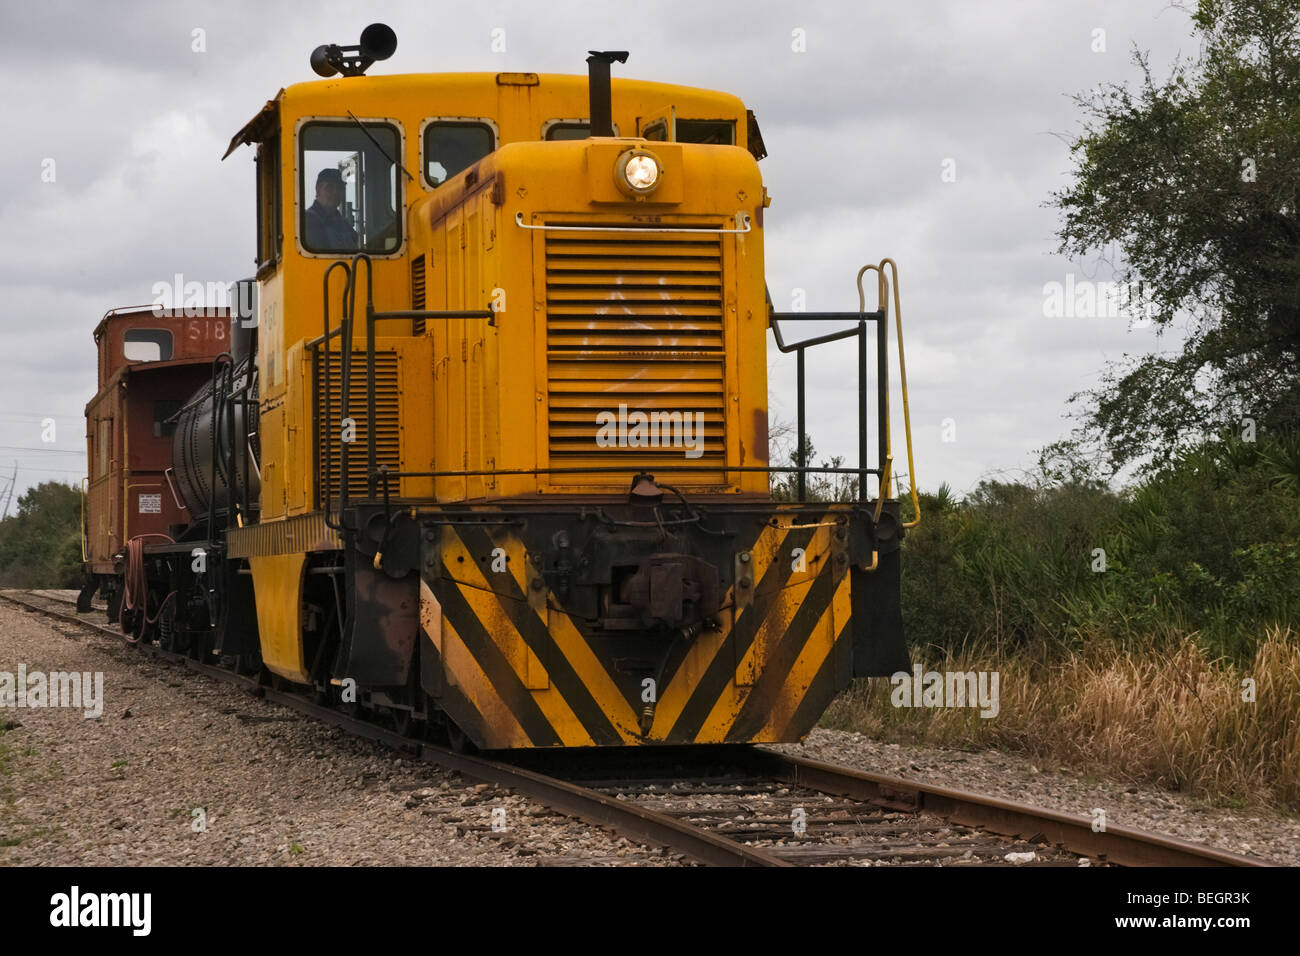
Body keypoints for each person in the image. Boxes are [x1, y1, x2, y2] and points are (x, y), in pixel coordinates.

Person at [304, 167, 358, 250]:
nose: (335, 192)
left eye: (340, 188)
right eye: (330, 187)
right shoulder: (308, 221)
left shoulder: (344, 224)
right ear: (318, 189)